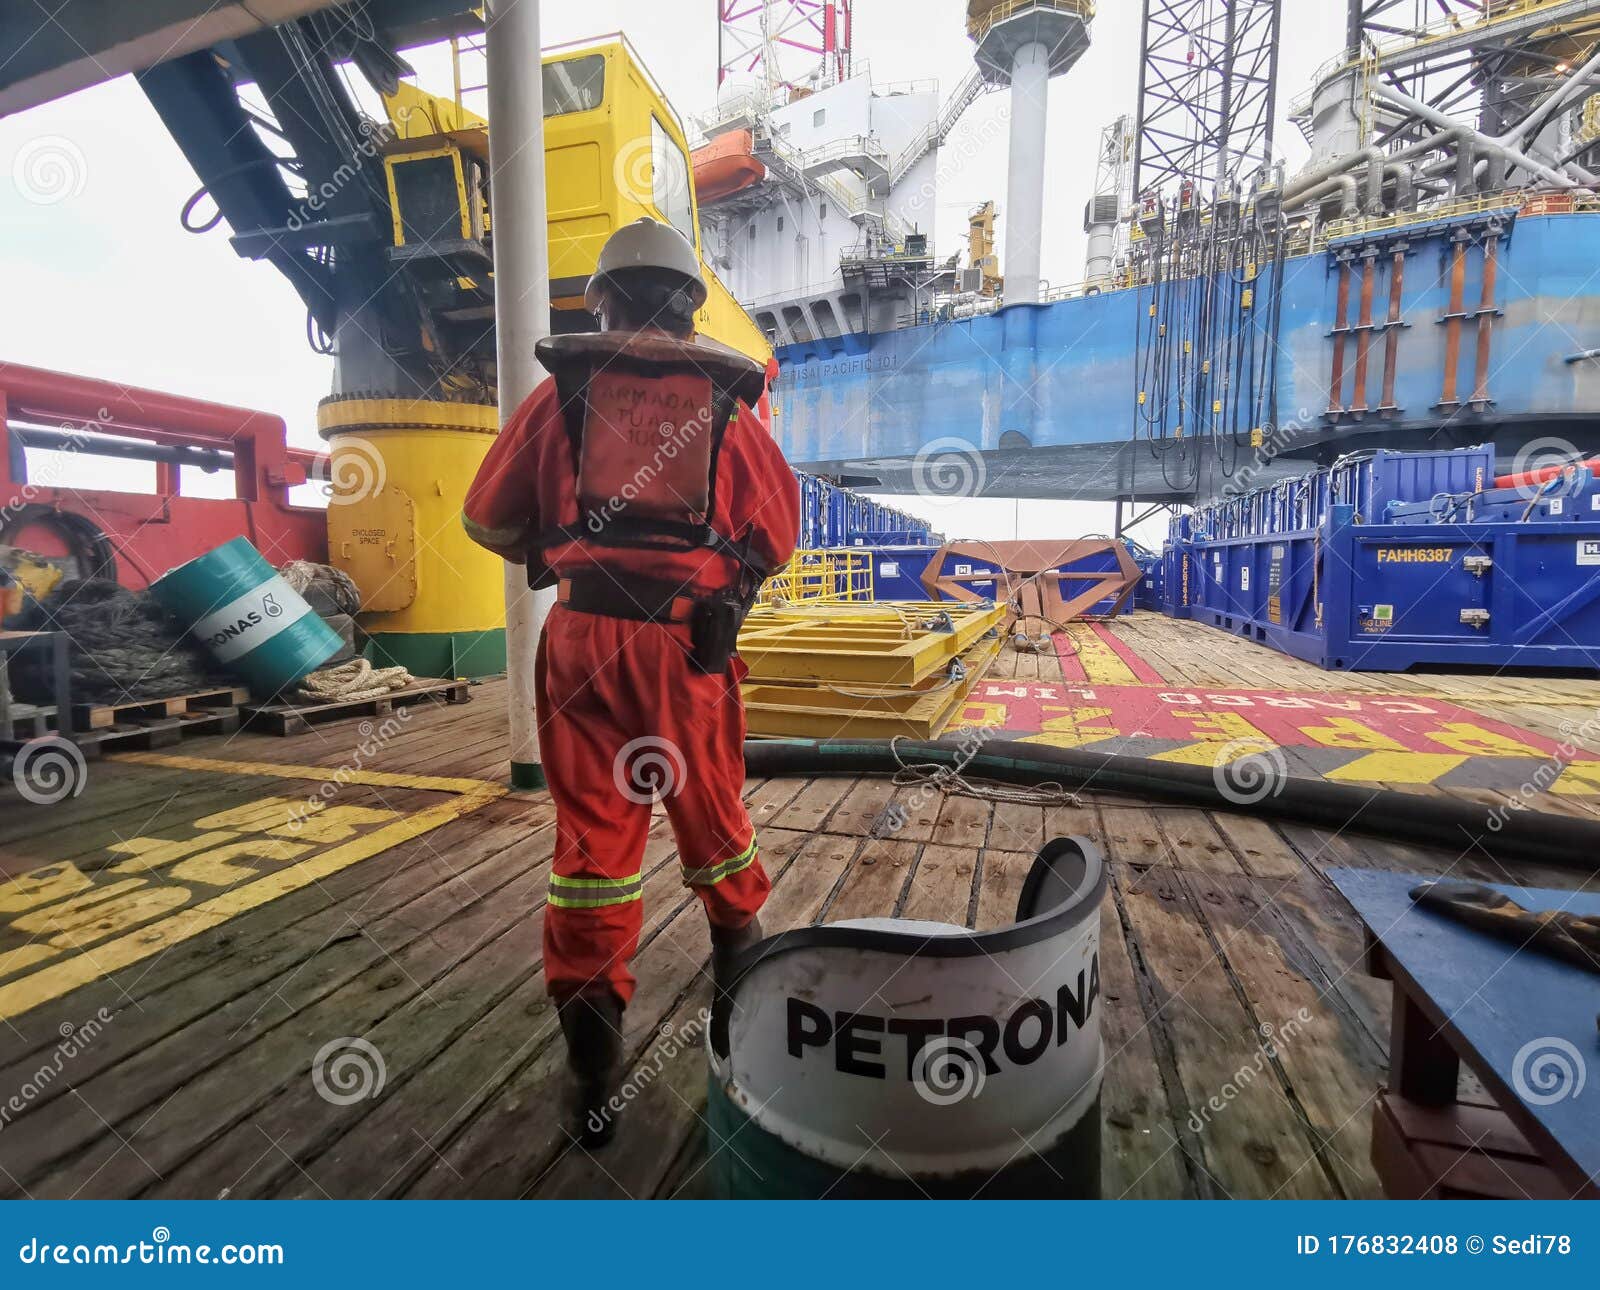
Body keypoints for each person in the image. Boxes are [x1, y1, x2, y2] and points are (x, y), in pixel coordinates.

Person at [463, 217, 799, 1146]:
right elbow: (775, 540)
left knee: (591, 855)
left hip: (580, 642)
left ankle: (593, 1078)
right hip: (688, 650)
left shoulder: (557, 400)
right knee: (716, 825)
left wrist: (563, 547)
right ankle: (740, 995)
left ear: (600, 301)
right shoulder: (729, 409)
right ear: (692, 310)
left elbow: (485, 521)